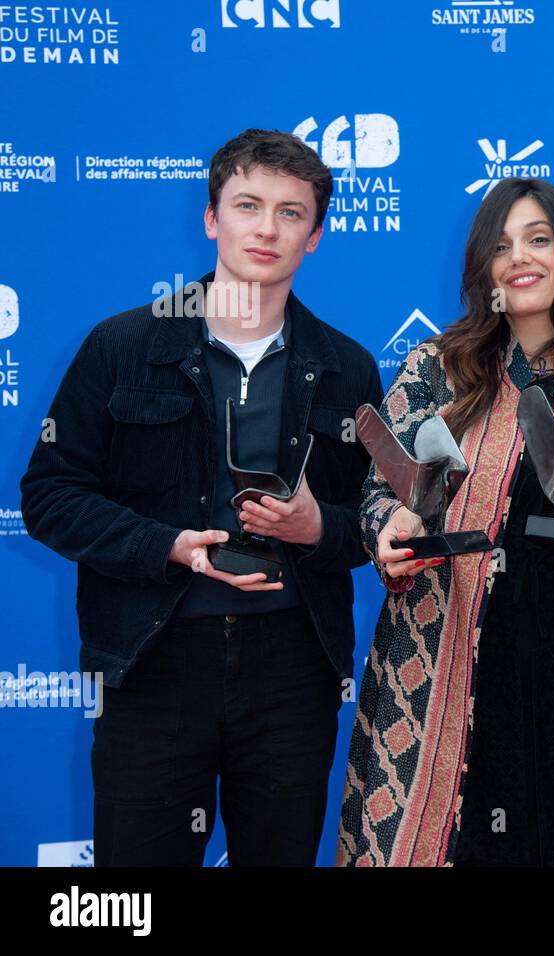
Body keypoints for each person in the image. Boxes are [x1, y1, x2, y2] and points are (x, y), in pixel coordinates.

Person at [20, 128, 384, 866]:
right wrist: (167, 545)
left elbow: (372, 529)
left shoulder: (345, 367)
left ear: (314, 236)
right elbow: (49, 495)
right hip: (155, 659)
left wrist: (318, 528)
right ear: (212, 218)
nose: (266, 227)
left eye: (291, 212)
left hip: (293, 671)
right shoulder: (123, 346)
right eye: (247, 204)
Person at [337, 178, 554, 867]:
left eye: (539, 239)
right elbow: (375, 494)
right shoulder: (434, 370)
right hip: (440, 657)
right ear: (482, 267)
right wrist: (388, 529)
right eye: (502, 244)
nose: (521, 257)